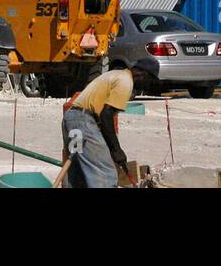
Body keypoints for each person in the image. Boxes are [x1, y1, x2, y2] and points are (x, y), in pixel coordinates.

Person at [60, 59, 158, 188]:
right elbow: (106, 115)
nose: (148, 85)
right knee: (105, 173)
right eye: (149, 81)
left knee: (78, 172)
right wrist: (116, 150)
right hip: (84, 122)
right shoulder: (125, 81)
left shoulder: (116, 74)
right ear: (142, 74)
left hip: (72, 120)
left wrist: (112, 147)